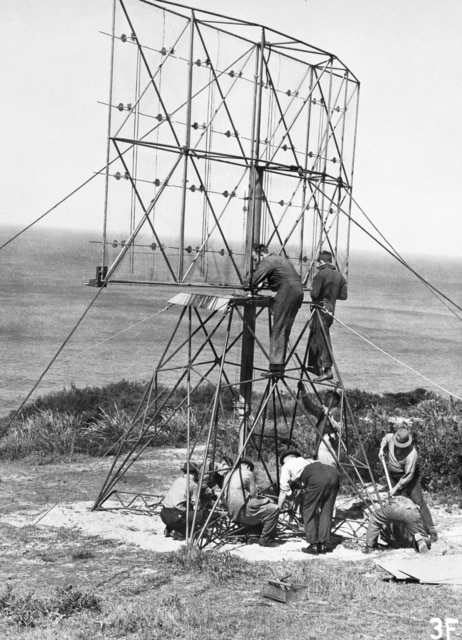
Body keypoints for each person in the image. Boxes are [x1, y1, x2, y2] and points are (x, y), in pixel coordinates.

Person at [248, 244, 304, 378]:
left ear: (261, 254)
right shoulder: (280, 259)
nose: (256, 262)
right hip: (297, 292)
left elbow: (254, 280)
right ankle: (278, 366)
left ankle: (275, 368)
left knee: (278, 329)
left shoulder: (268, 261)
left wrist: (249, 281)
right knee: (284, 329)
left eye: (256, 259)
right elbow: (280, 279)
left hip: (287, 292)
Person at [379, 427, 438, 542]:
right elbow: (385, 439)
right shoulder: (391, 438)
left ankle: (431, 530)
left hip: (409, 478)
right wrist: (381, 449)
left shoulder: (412, 454)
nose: (399, 449)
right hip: (394, 476)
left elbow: (408, 476)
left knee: (418, 502)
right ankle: (402, 533)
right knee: (398, 503)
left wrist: (395, 489)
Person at [278, 449, 339, 554]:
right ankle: (323, 544)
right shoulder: (308, 461)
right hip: (333, 473)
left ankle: (313, 544)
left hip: (316, 477)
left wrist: (278, 509)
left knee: (308, 511)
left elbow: (283, 491)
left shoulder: (286, 465)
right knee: (326, 510)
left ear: (286, 459)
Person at [308, 249, 348, 382]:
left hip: (320, 309)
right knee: (315, 334)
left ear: (321, 261)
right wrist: (331, 295)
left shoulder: (321, 274)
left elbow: (314, 294)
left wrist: (322, 294)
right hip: (330, 310)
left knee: (322, 338)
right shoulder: (339, 276)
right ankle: (314, 365)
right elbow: (343, 296)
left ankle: (327, 369)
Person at [226, 457, 280, 547]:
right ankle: (266, 540)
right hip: (243, 509)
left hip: (231, 510)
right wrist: (265, 500)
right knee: (274, 509)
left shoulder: (228, 475)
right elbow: (254, 494)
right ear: (247, 466)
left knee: (257, 507)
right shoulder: (248, 473)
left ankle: (254, 533)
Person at [363, 495, 431, 554]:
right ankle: (422, 541)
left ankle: (370, 547)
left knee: (375, 517)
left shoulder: (391, 501)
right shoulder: (407, 498)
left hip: (396, 508)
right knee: (419, 533)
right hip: (413, 509)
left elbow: (387, 520)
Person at [297, 381, 341, 467]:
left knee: (329, 466)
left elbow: (338, 427)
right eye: (326, 396)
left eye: (328, 397)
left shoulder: (337, 413)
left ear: (335, 400)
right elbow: (311, 407)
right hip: (321, 444)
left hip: (330, 447)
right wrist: (303, 392)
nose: (325, 398)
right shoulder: (323, 411)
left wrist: (328, 416)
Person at [160, 462, 206, 540]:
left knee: (180, 507)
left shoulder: (177, 480)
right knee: (201, 514)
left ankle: (169, 529)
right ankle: (180, 532)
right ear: (194, 474)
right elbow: (196, 506)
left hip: (163, 514)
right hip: (176, 518)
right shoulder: (194, 485)